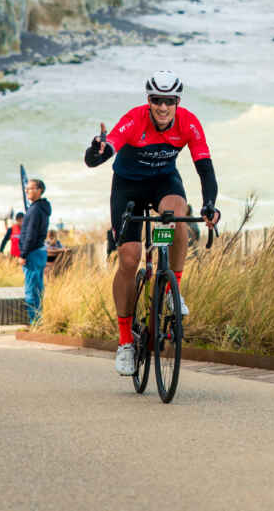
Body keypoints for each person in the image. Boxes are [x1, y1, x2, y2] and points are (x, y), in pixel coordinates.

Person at [83, 70, 220, 375]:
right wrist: (97, 151)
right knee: (129, 261)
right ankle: (125, 343)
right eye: (156, 100)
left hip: (163, 181)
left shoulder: (189, 122)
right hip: (127, 186)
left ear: (177, 102)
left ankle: (172, 290)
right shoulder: (134, 119)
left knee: (177, 213)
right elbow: (104, 151)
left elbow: (205, 169)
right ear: (149, 101)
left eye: (168, 101)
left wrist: (210, 204)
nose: (162, 107)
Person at [17, 178, 50, 323]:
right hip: (39, 251)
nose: (26, 191)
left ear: (39, 190)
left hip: (33, 252)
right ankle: (38, 320)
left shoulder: (35, 209)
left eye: (29, 188)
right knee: (37, 288)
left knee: (31, 290)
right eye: (26, 189)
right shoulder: (41, 207)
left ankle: (35, 322)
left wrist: (23, 254)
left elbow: (30, 234)